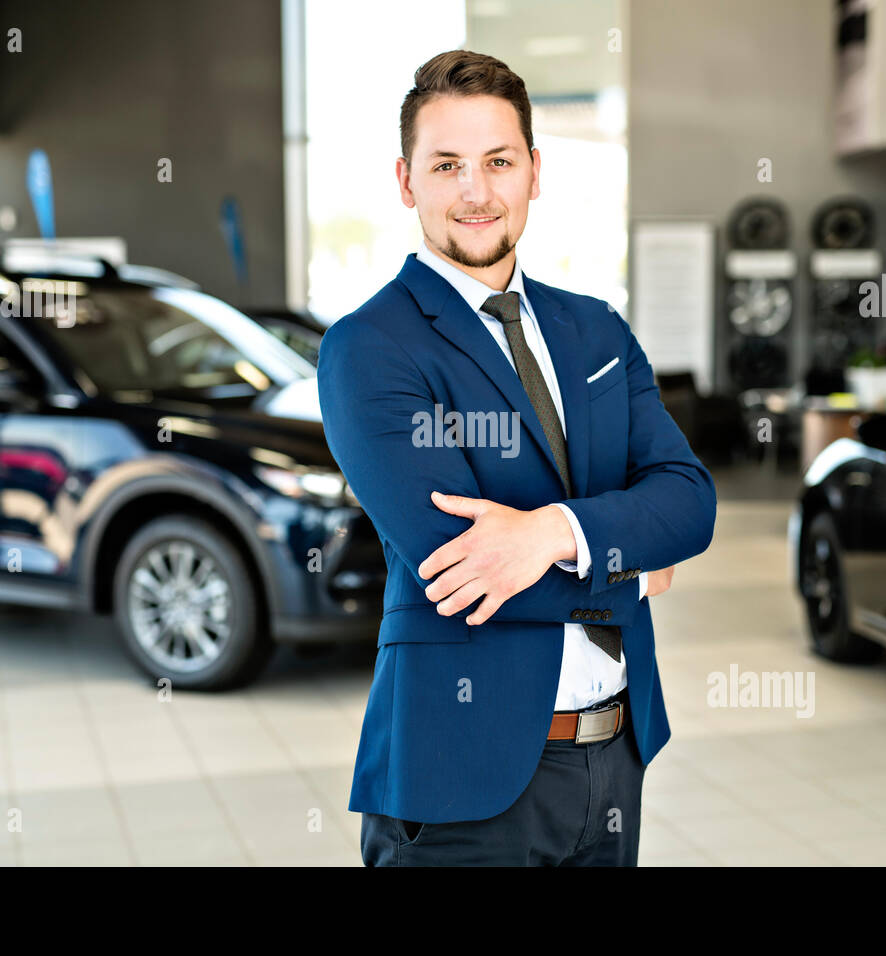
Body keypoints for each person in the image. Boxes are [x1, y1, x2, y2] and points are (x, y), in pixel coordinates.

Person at [317, 49, 716, 866]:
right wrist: (634, 565)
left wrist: (547, 535)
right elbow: (458, 571)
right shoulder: (369, 348)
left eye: (498, 161)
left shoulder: (596, 328)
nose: (475, 190)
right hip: (462, 779)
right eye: (447, 165)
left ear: (534, 171)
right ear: (406, 181)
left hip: (615, 758)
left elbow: (689, 501)